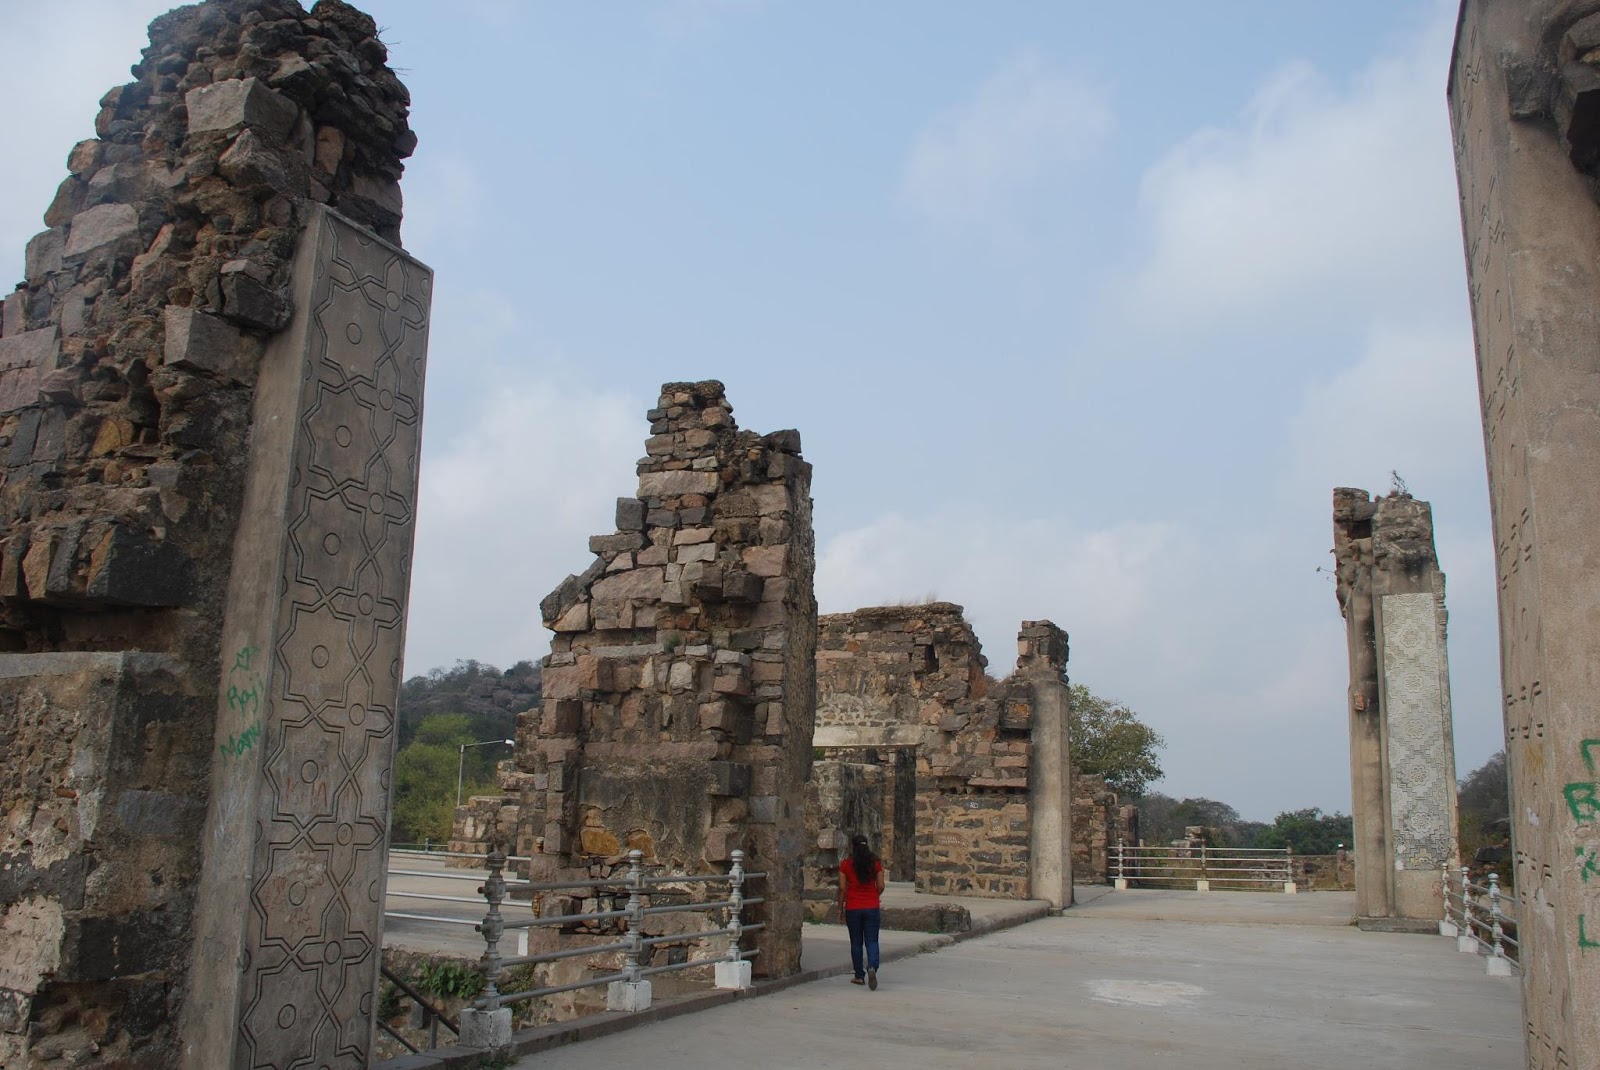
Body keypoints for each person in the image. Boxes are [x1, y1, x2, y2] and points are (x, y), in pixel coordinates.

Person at [837, 832, 885, 989]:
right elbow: (881, 885)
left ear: (853, 847)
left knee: (856, 942)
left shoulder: (846, 864)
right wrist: (874, 896)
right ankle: (872, 967)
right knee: (872, 940)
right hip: (871, 906)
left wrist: (840, 908)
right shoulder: (875, 863)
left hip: (853, 907)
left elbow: (842, 888)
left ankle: (859, 975)